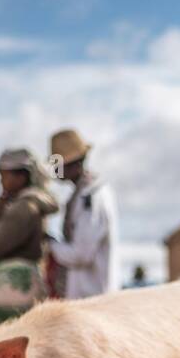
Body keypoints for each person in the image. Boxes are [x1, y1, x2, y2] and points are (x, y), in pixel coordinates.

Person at [0, 147, 58, 327]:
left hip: (13, 293)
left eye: (4, 176)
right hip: (24, 289)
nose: (1, 181)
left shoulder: (23, 209)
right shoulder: (26, 205)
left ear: (21, 177)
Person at [47, 128, 117, 300]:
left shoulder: (92, 196)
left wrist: (50, 244)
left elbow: (81, 254)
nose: (54, 170)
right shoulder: (81, 194)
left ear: (72, 164)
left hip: (92, 298)